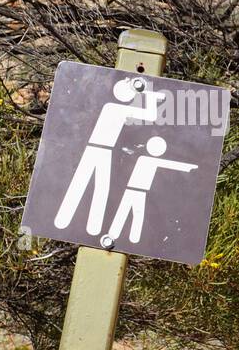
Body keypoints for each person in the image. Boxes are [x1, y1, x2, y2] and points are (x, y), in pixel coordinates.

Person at [54, 79, 165, 234]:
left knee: (93, 185)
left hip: (102, 150)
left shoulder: (112, 107)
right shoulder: (114, 108)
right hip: (98, 150)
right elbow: (148, 115)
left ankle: (82, 225)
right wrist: (151, 98)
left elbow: (146, 116)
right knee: (87, 184)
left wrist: (149, 97)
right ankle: (67, 222)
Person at [107, 136, 197, 244]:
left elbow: (169, 164)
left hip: (138, 192)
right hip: (134, 191)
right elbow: (169, 164)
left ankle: (126, 237)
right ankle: (119, 236)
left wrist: (190, 168)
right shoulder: (144, 159)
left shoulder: (143, 158)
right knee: (130, 212)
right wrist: (189, 168)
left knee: (134, 213)